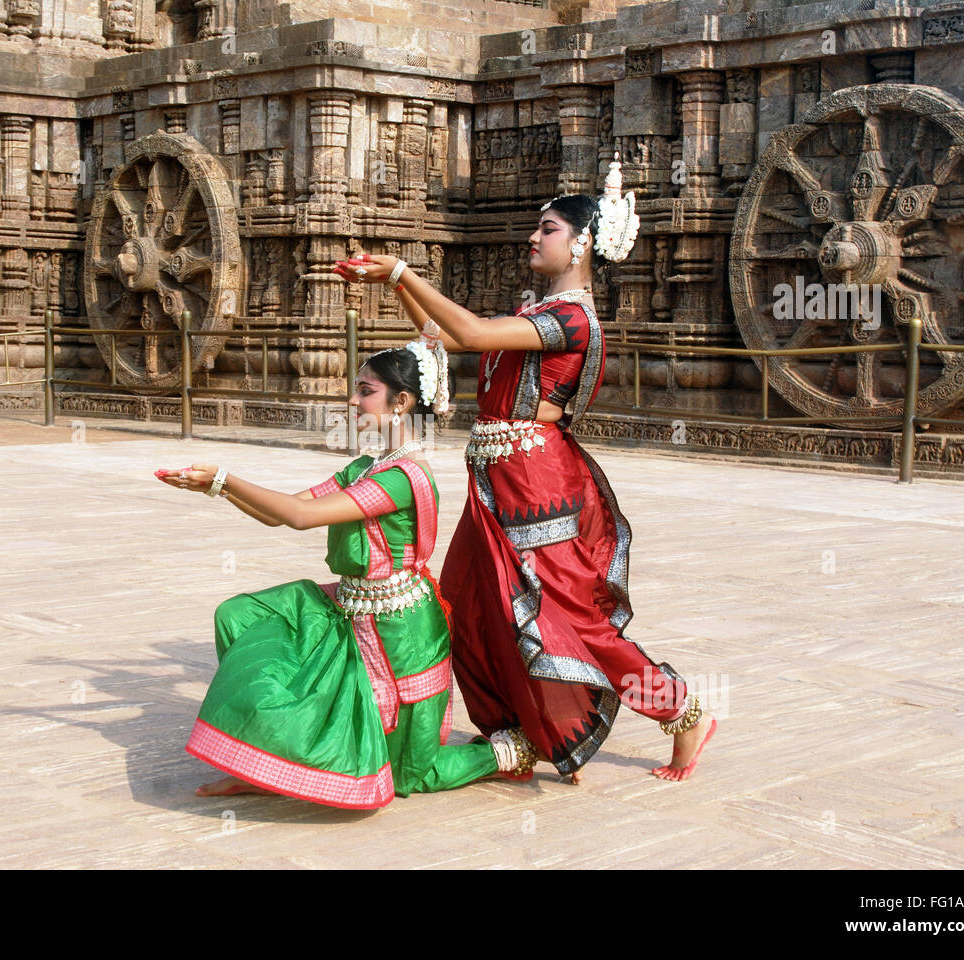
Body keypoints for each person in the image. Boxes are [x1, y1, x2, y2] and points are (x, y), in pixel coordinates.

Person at [334, 156, 717, 784]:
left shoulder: (570, 318)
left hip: (538, 486)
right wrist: (392, 283)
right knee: (464, 602)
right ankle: (511, 730)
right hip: (497, 481)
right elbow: (450, 336)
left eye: (548, 230)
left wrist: (403, 268)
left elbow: (475, 335)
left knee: (570, 618)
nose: (534, 239)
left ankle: (682, 710)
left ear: (582, 243)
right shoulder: (539, 312)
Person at [158, 344, 536, 809]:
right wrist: (215, 487)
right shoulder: (365, 468)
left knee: (410, 776)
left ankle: (513, 749)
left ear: (401, 403)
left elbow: (300, 517)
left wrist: (225, 479)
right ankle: (267, 761)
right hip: (353, 611)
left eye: (365, 391)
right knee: (245, 617)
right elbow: (282, 514)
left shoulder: (402, 478)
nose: (353, 402)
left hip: (403, 636)